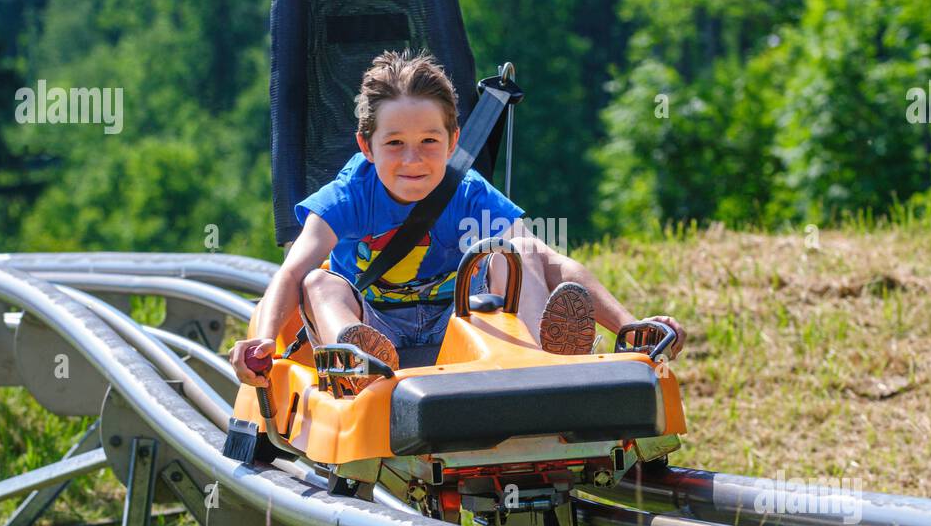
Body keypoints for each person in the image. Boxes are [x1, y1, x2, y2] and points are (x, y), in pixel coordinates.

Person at [228, 48, 685, 386]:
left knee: (516, 255)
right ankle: (359, 370)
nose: (413, 159)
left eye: (429, 142)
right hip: (375, 323)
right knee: (317, 283)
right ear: (366, 148)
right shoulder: (349, 196)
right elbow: (293, 271)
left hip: (459, 318)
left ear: (453, 141)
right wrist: (264, 339)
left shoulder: (466, 191)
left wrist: (630, 327)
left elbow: (547, 260)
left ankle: (540, 361)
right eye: (394, 144)